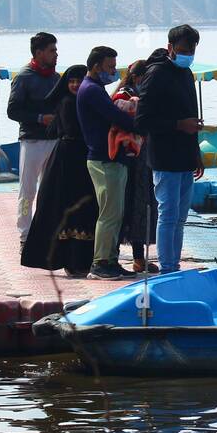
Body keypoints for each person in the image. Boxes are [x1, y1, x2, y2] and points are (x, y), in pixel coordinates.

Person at [138, 25, 205, 276]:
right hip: (165, 156)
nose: (188, 55)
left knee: (181, 217)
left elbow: (191, 116)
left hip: (186, 156)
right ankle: (167, 268)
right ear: (170, 49)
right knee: (167, 214)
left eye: (192, 50)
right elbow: (142, 121)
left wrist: (196, 152)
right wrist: (178, 125)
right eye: (184, 50)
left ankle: (174, 264)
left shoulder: (186, 74)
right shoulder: (156, 74)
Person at [20, 66, 99, 276]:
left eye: (79, 80)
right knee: (70, 207)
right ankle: (72, 260)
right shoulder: (68, 103)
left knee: (80, 209)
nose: (74, 85)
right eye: (71, 81)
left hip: (76, 157)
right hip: (69, 160)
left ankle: (78, 260)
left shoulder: (80, 101)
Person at [77, 46, 137, 280]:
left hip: (111, 159)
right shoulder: (91, 90)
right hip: (103, 159)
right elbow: (117, 117)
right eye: (110, 67)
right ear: (95, 66)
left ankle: (111, 259)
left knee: (115, 212)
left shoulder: (97, 88)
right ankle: (101, 262)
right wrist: (139, 123)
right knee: (109, 213)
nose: (113, 72)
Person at [8, 32, 61, 246]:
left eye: (56, 50)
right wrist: (40, 118)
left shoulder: (57, 79)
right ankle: (25, 236)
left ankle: (50, 233)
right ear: (39, 53)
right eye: (52, 51)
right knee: (27, 191)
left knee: (53, 191)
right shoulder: (24, 77)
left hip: (55, 141)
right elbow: (12, 111)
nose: (56, 54)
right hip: (32, 141)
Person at [114, 59, 159, 274]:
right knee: (128, 207)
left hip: (143, 160)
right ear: (138, 78)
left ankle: (139, 258)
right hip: (130, 160)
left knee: (142, 207)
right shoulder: (123, 96)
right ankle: (114, 257)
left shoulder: (140, 95)